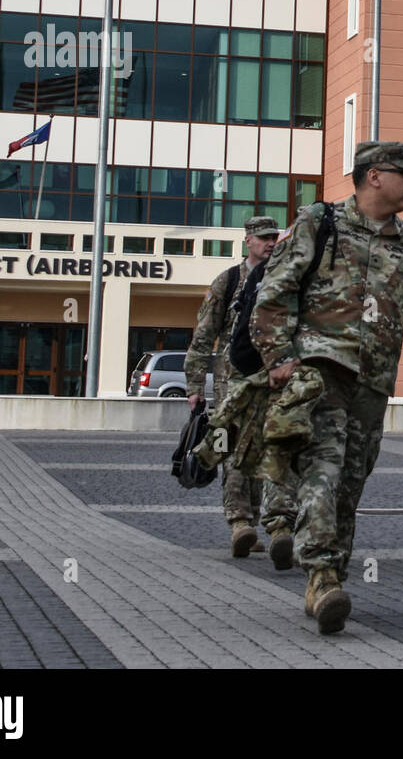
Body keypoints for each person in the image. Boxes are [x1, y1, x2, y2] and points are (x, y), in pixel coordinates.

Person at [250, 141, 403, 635]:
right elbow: (274, 293)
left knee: (351, 481)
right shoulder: (319, 224)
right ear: (374, 176)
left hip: (373, 381)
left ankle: (329, 578)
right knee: (323, 467)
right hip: (318, 372)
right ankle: (321, 574)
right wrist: (279, 358)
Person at [184, 216, 281, 560]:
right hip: (232, 382)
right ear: (248, 241)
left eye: (274, 237)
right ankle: (240, 521)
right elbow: (203, 335)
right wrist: (195, 384)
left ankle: (259, 521)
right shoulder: (227, 281)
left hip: (272, 379)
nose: (271, 243)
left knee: (267, 449)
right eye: (264, 238)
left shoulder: (283, 276)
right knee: (234, 447)